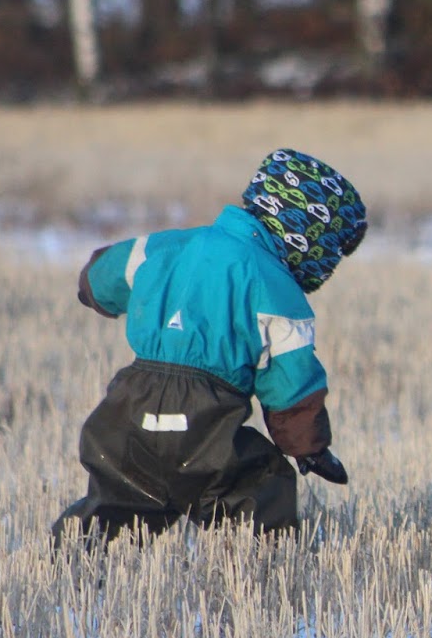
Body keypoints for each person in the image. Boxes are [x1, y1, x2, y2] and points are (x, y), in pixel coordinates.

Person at [53, 148, 366, 543]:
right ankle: (263, 578)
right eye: (332, 250)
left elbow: (100, 278)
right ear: (308, 236)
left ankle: (69, 568)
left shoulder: (167, 246)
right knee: (260, 486)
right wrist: (309, 448)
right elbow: (291, 381)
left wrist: (91, 292)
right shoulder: (277, 287)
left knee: (116, 505)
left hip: (129, 406)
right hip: (205, 419)